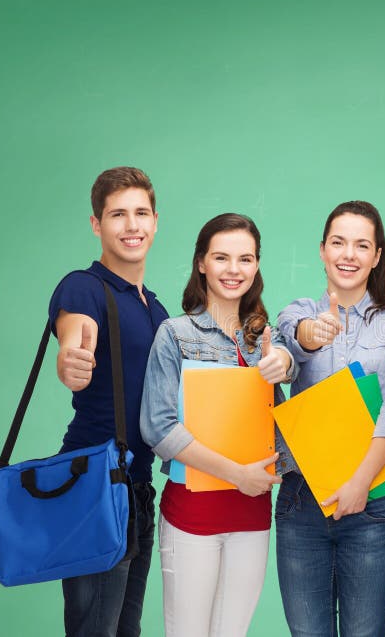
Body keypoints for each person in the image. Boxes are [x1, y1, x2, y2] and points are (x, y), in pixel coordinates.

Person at [140, 213, 295, 637]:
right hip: (193, 514)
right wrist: (237, 475)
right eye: (221, 257)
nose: (233, 269)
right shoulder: (174, 334)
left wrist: (282, 361)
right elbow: (159, 428)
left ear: (257, 265)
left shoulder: (265, 338)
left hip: (252, 514)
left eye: (245, 259)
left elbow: (290, 362)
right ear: (201, 263)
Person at [275, 200, 385, 637]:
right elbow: (291, 341)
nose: (348, 255)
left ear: (377, 256)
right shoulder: (299, 311)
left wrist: (360, 482)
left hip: (374, 504)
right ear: (322, 250)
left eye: (362, 245)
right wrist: (310, 334)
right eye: (338, 243)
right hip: (302, 501)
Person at [49, 166, 168, 637]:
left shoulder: (156, 308)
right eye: (118, 214)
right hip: (95, 485)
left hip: (138, 488)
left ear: (155, 222)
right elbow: (75, 336)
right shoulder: (84, 287)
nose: (132, 225)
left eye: (141, 213)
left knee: (125, 630)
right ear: (97, 224)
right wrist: (71, 360)